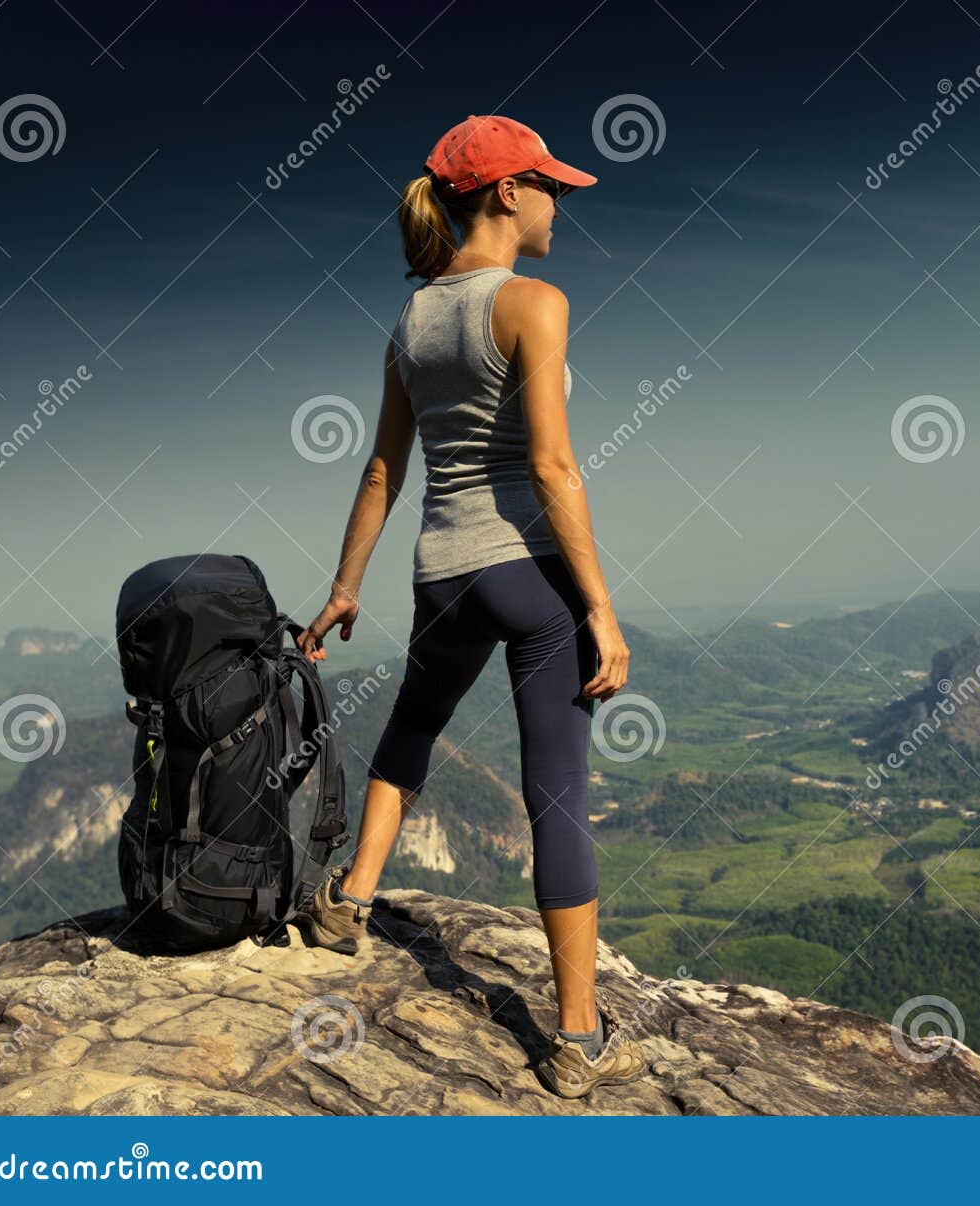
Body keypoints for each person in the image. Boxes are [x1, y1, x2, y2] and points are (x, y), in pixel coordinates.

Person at [293, 115, 645, 1099]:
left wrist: (343, 589)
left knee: (412, 724)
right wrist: (603, 611)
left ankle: (348, 902)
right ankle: (577, 1037)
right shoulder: (534, 301)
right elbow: (551, 464)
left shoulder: (408, 322)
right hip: (531, 577)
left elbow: (381, 469)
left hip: (441, 572)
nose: (558, 204)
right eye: (550, 187)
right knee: (557, 793)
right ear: (503, 193)